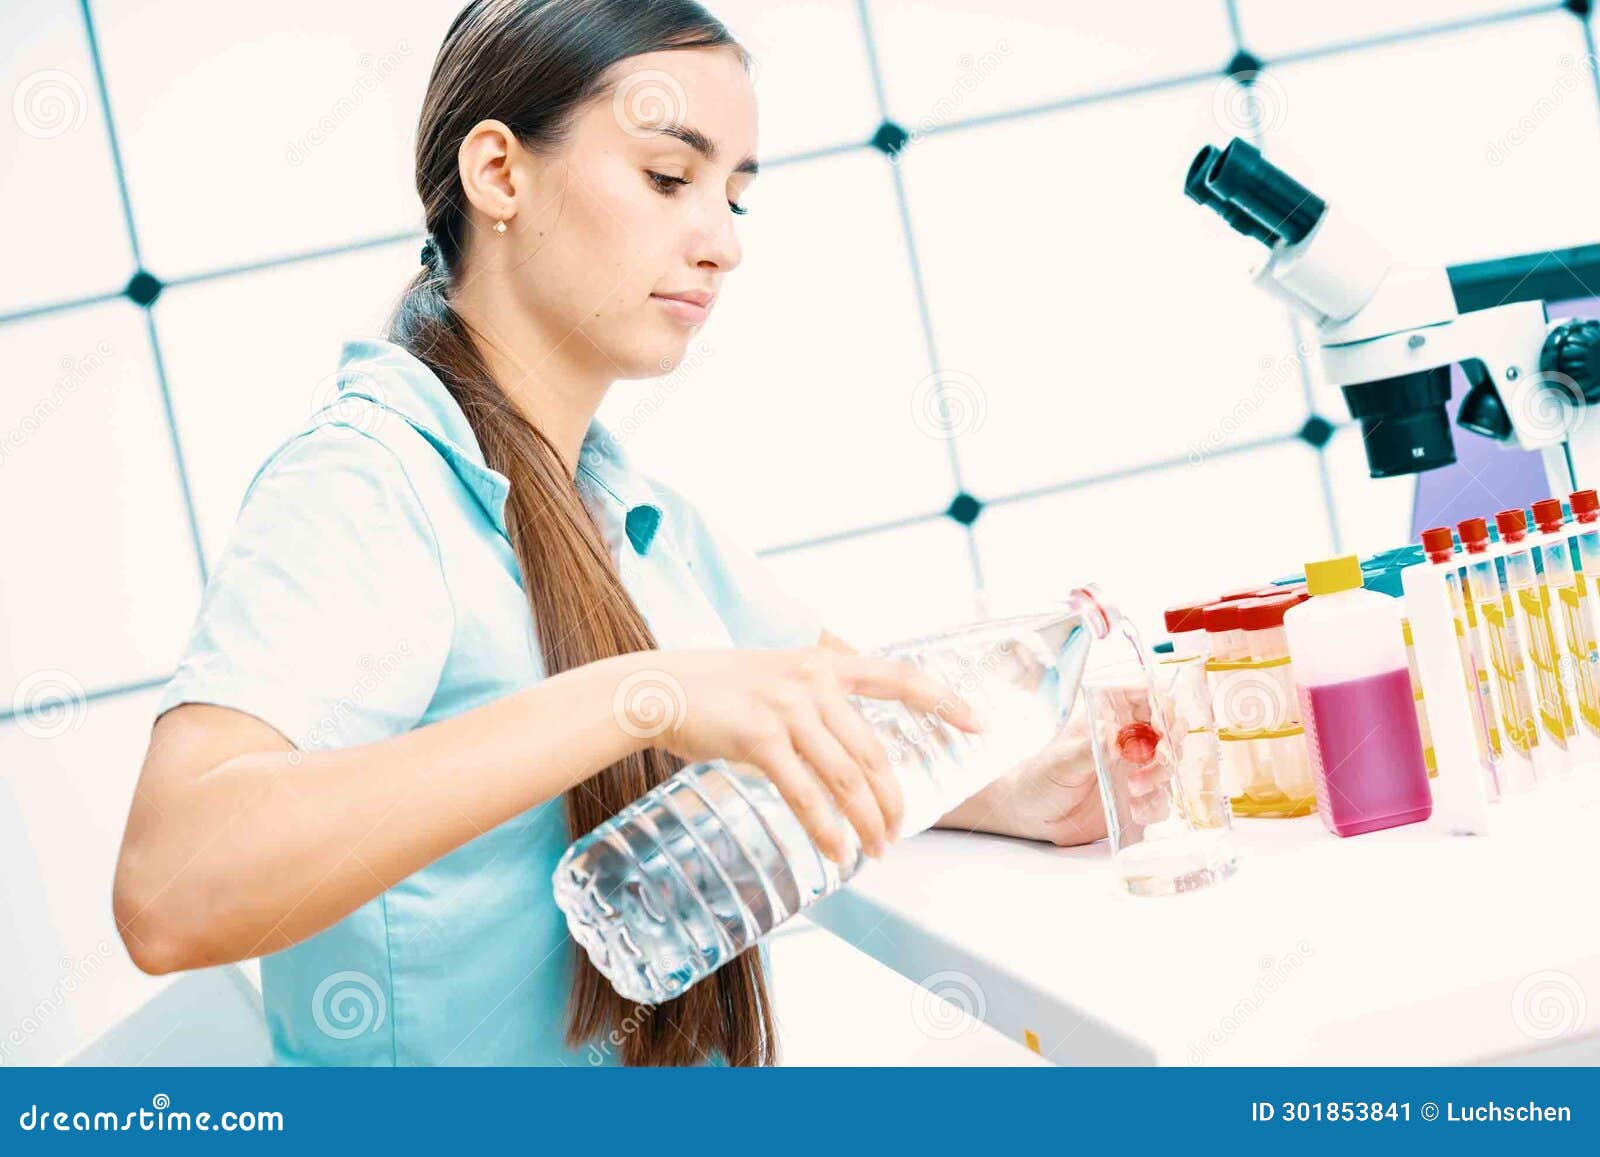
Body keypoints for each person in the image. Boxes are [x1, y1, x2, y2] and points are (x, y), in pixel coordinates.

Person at [112, 0, 1152, 1067]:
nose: (723, 242)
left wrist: (1022, 785)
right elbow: (172, 889)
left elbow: (843, 722)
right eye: (668, 179)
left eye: (737, 197)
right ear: (500, 175)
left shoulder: (623, 506)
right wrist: (633, 697)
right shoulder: (368, 487)